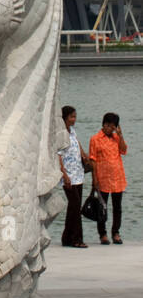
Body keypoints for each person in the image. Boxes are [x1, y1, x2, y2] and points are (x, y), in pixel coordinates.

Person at [88, 112, 128, 245]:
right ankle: (103, 234)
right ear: (103, 124)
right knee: (101, 207)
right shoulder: (95, 139)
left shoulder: (116, 138)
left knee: (117, 207)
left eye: (113, 126)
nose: (110, 128)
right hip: (102, 178)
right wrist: (94, 179)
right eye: (108, 125)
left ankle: (116, 232)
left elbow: (123, 150)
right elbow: (92, 159)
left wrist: (120, 135)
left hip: (117, 177)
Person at [58, 105, 88, 248]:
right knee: (75, 206)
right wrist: (64, 174)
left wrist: (83, 154)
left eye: (75, 116)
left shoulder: (72, 131)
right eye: (72, 117)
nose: (74, 119)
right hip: (68, 175)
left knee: (73, 207)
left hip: (78, 173)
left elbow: (77, 144)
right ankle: (77, 239)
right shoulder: (60, 134)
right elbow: (58, 155)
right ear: (64, 118)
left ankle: (66, 238)